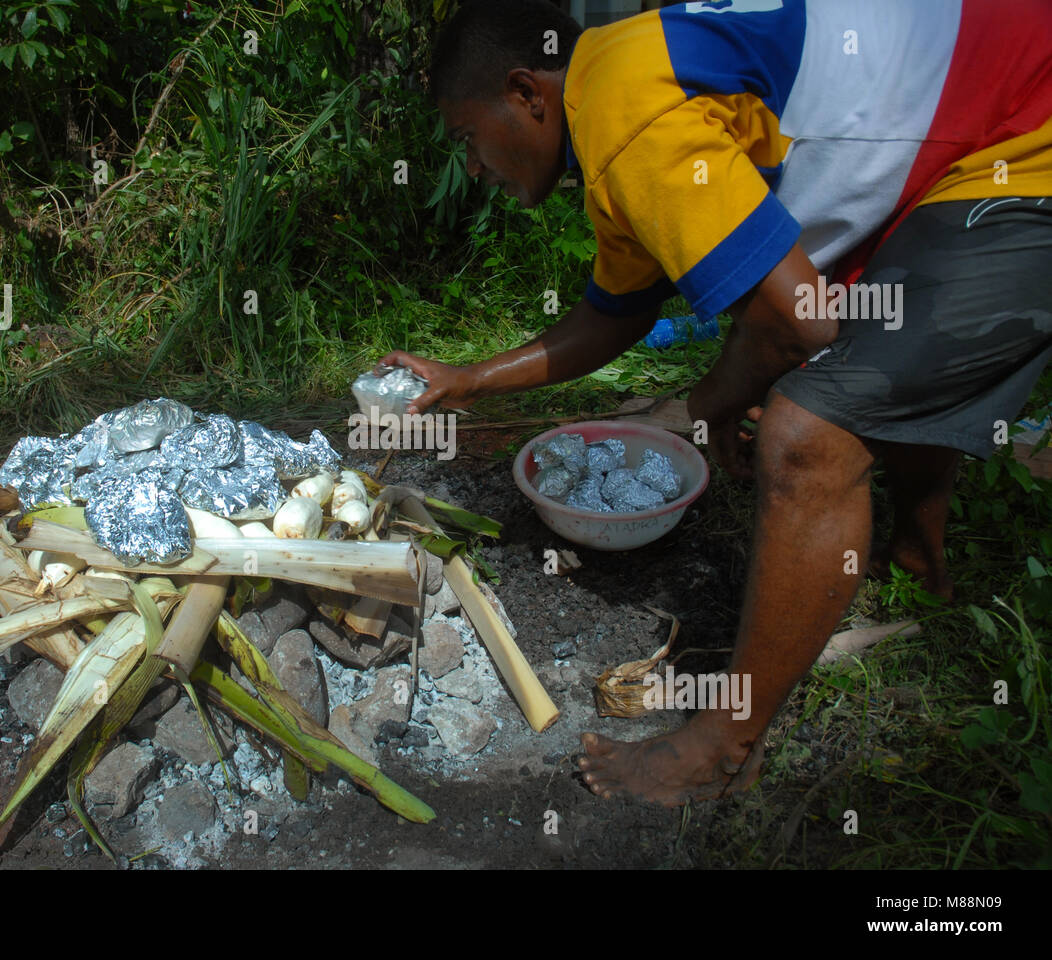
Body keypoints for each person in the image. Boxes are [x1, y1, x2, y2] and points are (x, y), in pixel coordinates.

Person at [379, 0, 1052, 805]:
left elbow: (800, 321)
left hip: (1024, 136)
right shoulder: (616, 91)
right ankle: (917, 561)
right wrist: (470, 377)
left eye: (467, 137)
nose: (475, 164)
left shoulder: (626, 113)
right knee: (880, 358)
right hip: (985, 121)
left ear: (525, 91)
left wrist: (711, 403)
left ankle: (721, 744)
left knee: (808, 433)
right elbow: (614, 315)